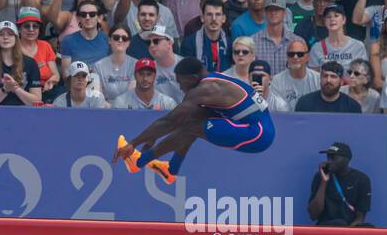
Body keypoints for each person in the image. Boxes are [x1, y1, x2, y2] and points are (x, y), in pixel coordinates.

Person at [114, 55, 275, 184]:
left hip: (257, 134)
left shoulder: (206, 89)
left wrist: (133, 143)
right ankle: (171, 169)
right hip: (258, 127)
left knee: (191, 126)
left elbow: (169, 122)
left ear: (191, 78)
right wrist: (151, 138)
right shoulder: (212, 80)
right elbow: (179, 119)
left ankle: (139, 161)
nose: (180, 87)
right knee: (193, 118)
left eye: (180, 82)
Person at [307, 141, 371, 227]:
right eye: (328, 157)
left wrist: (345, 234)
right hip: (325, 228)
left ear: (347, 160)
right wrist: (324, 182)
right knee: (338, 223)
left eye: (333, 158)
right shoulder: (320, 176)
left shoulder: (361, 179)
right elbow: (313, 215)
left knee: (368, 227)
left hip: (350, 230)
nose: (329, 161)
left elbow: (360, 218)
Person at [295, 60, 361, 113]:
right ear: (320, 79)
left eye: (333, 77)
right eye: (325, 76)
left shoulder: (352, 107)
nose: (328, 80)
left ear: (341, 82)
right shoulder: (304, 104)